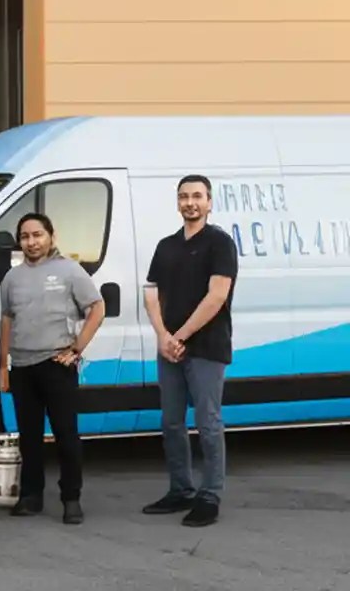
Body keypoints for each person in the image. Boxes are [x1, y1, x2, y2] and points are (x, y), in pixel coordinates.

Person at [141, 174, 237, 528]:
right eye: (184, 196)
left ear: (209, 202)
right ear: (177, 202)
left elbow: (217, 296)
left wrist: (178, 336)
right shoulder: (166, 246)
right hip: (170, 348)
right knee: (171, 422)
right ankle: (180, 489)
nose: (190, 202)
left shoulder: (220, 244)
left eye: (197, 196)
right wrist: (163, 336)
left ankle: (210, 496)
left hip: (206, 348)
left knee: (208, 423)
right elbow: (152, 293)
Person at [0, 213, 104, 524]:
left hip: (57, 365)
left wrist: (77, 348)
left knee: (65, 434)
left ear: (51, 237)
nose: (31, 242)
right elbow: (6, 320)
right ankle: (31, 496)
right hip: (23, 367)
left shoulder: (70, 271)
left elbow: (97, 308)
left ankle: (71, 498)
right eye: (26, 236)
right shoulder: (12, 278)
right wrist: (3, 365)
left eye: (37, 235)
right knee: (28, 436)